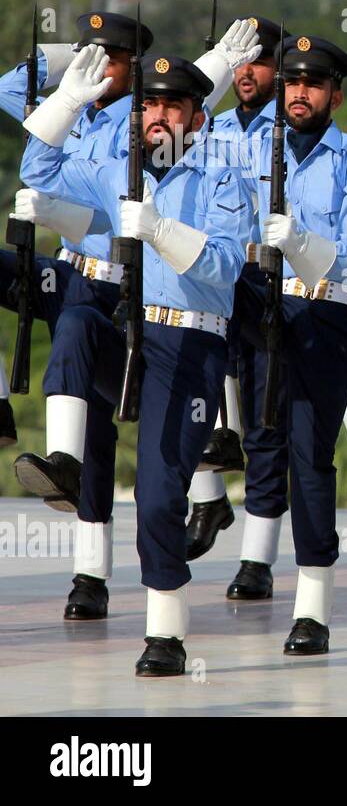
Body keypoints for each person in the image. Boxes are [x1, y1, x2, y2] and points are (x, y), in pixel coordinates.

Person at [18, 45, 253, 675]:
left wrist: (160, 231)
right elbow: (38, 168)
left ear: (197, 117)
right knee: (73, 321)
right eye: (148, 102)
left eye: (172, 103)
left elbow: (228, 266)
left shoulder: (224, 177)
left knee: (156, 497)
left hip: (192, 345)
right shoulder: (120, 169)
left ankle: (166, 635)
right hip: (131, 333)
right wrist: (67, 99)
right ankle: (66, 462)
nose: (157, 114)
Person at [234, 34, 347, 654]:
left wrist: (298, 242)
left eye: (314, 85)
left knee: (307, 454)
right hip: (259, 304)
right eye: (293, 83)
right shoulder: (251, 152)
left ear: (336, 95)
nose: (301, 94)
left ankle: (312, 608)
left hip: (326, 316)